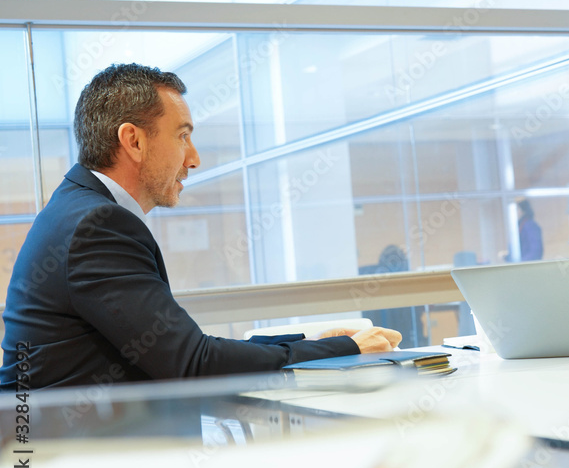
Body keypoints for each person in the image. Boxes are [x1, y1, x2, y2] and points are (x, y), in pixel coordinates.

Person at [1, 63, 401, 389]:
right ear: (133, 141)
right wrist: (342, 349)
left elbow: (180, 349)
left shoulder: (80, 209)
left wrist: (313, 343)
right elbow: (192, 362)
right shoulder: (98, 225)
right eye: (182, 136)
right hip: (72, 460)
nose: (193, 159)